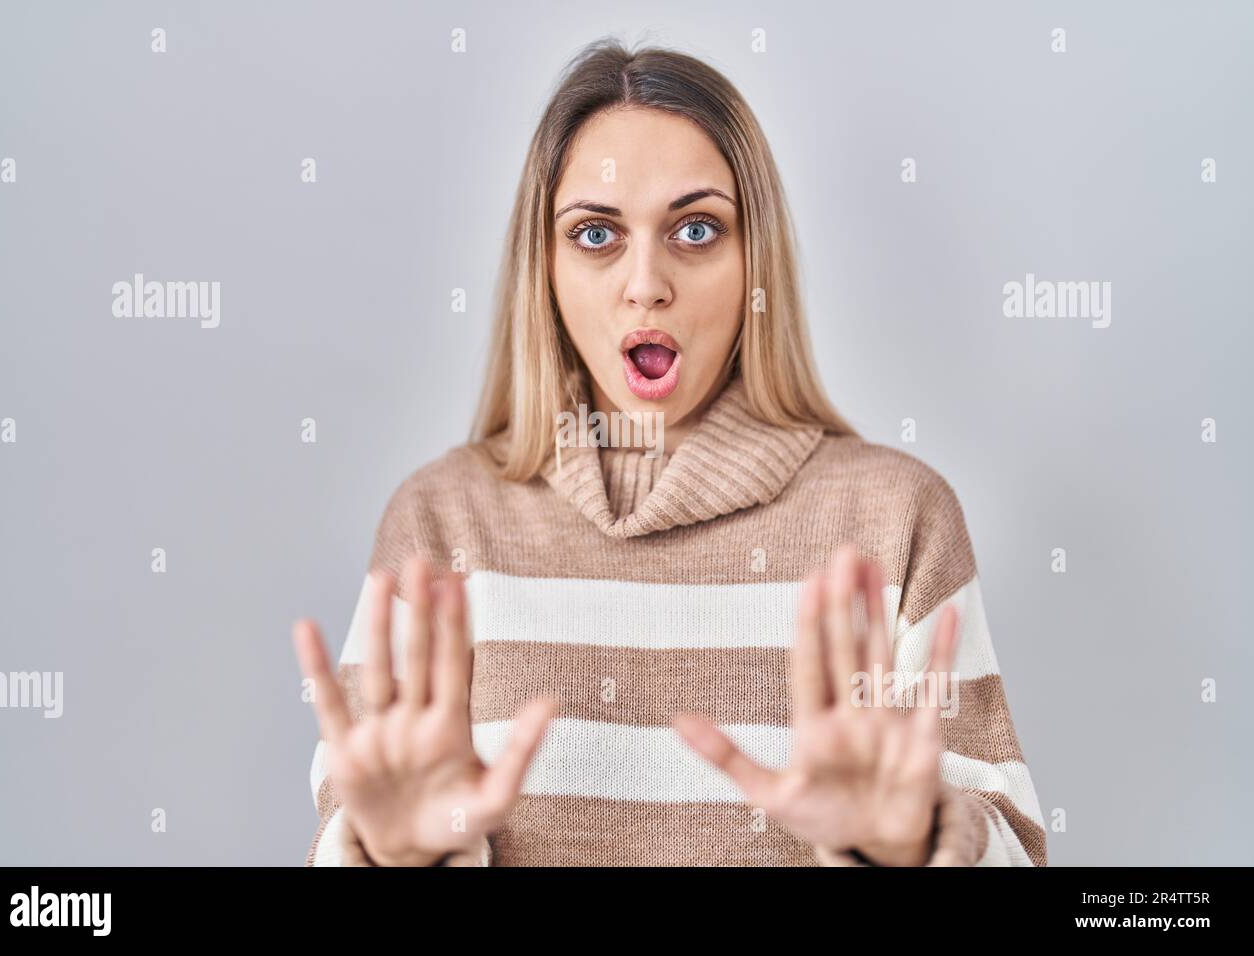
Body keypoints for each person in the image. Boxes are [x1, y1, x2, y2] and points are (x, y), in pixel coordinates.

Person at [293, 38, 1046, 867]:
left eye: (695, 229)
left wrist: (912, 843)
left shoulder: (895, 518)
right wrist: (398, 854)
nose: (645, 282)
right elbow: (360, 829)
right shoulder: (438, 523)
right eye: (594, 234)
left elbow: (1011, 846)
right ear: (540, 267)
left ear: (755, 258)